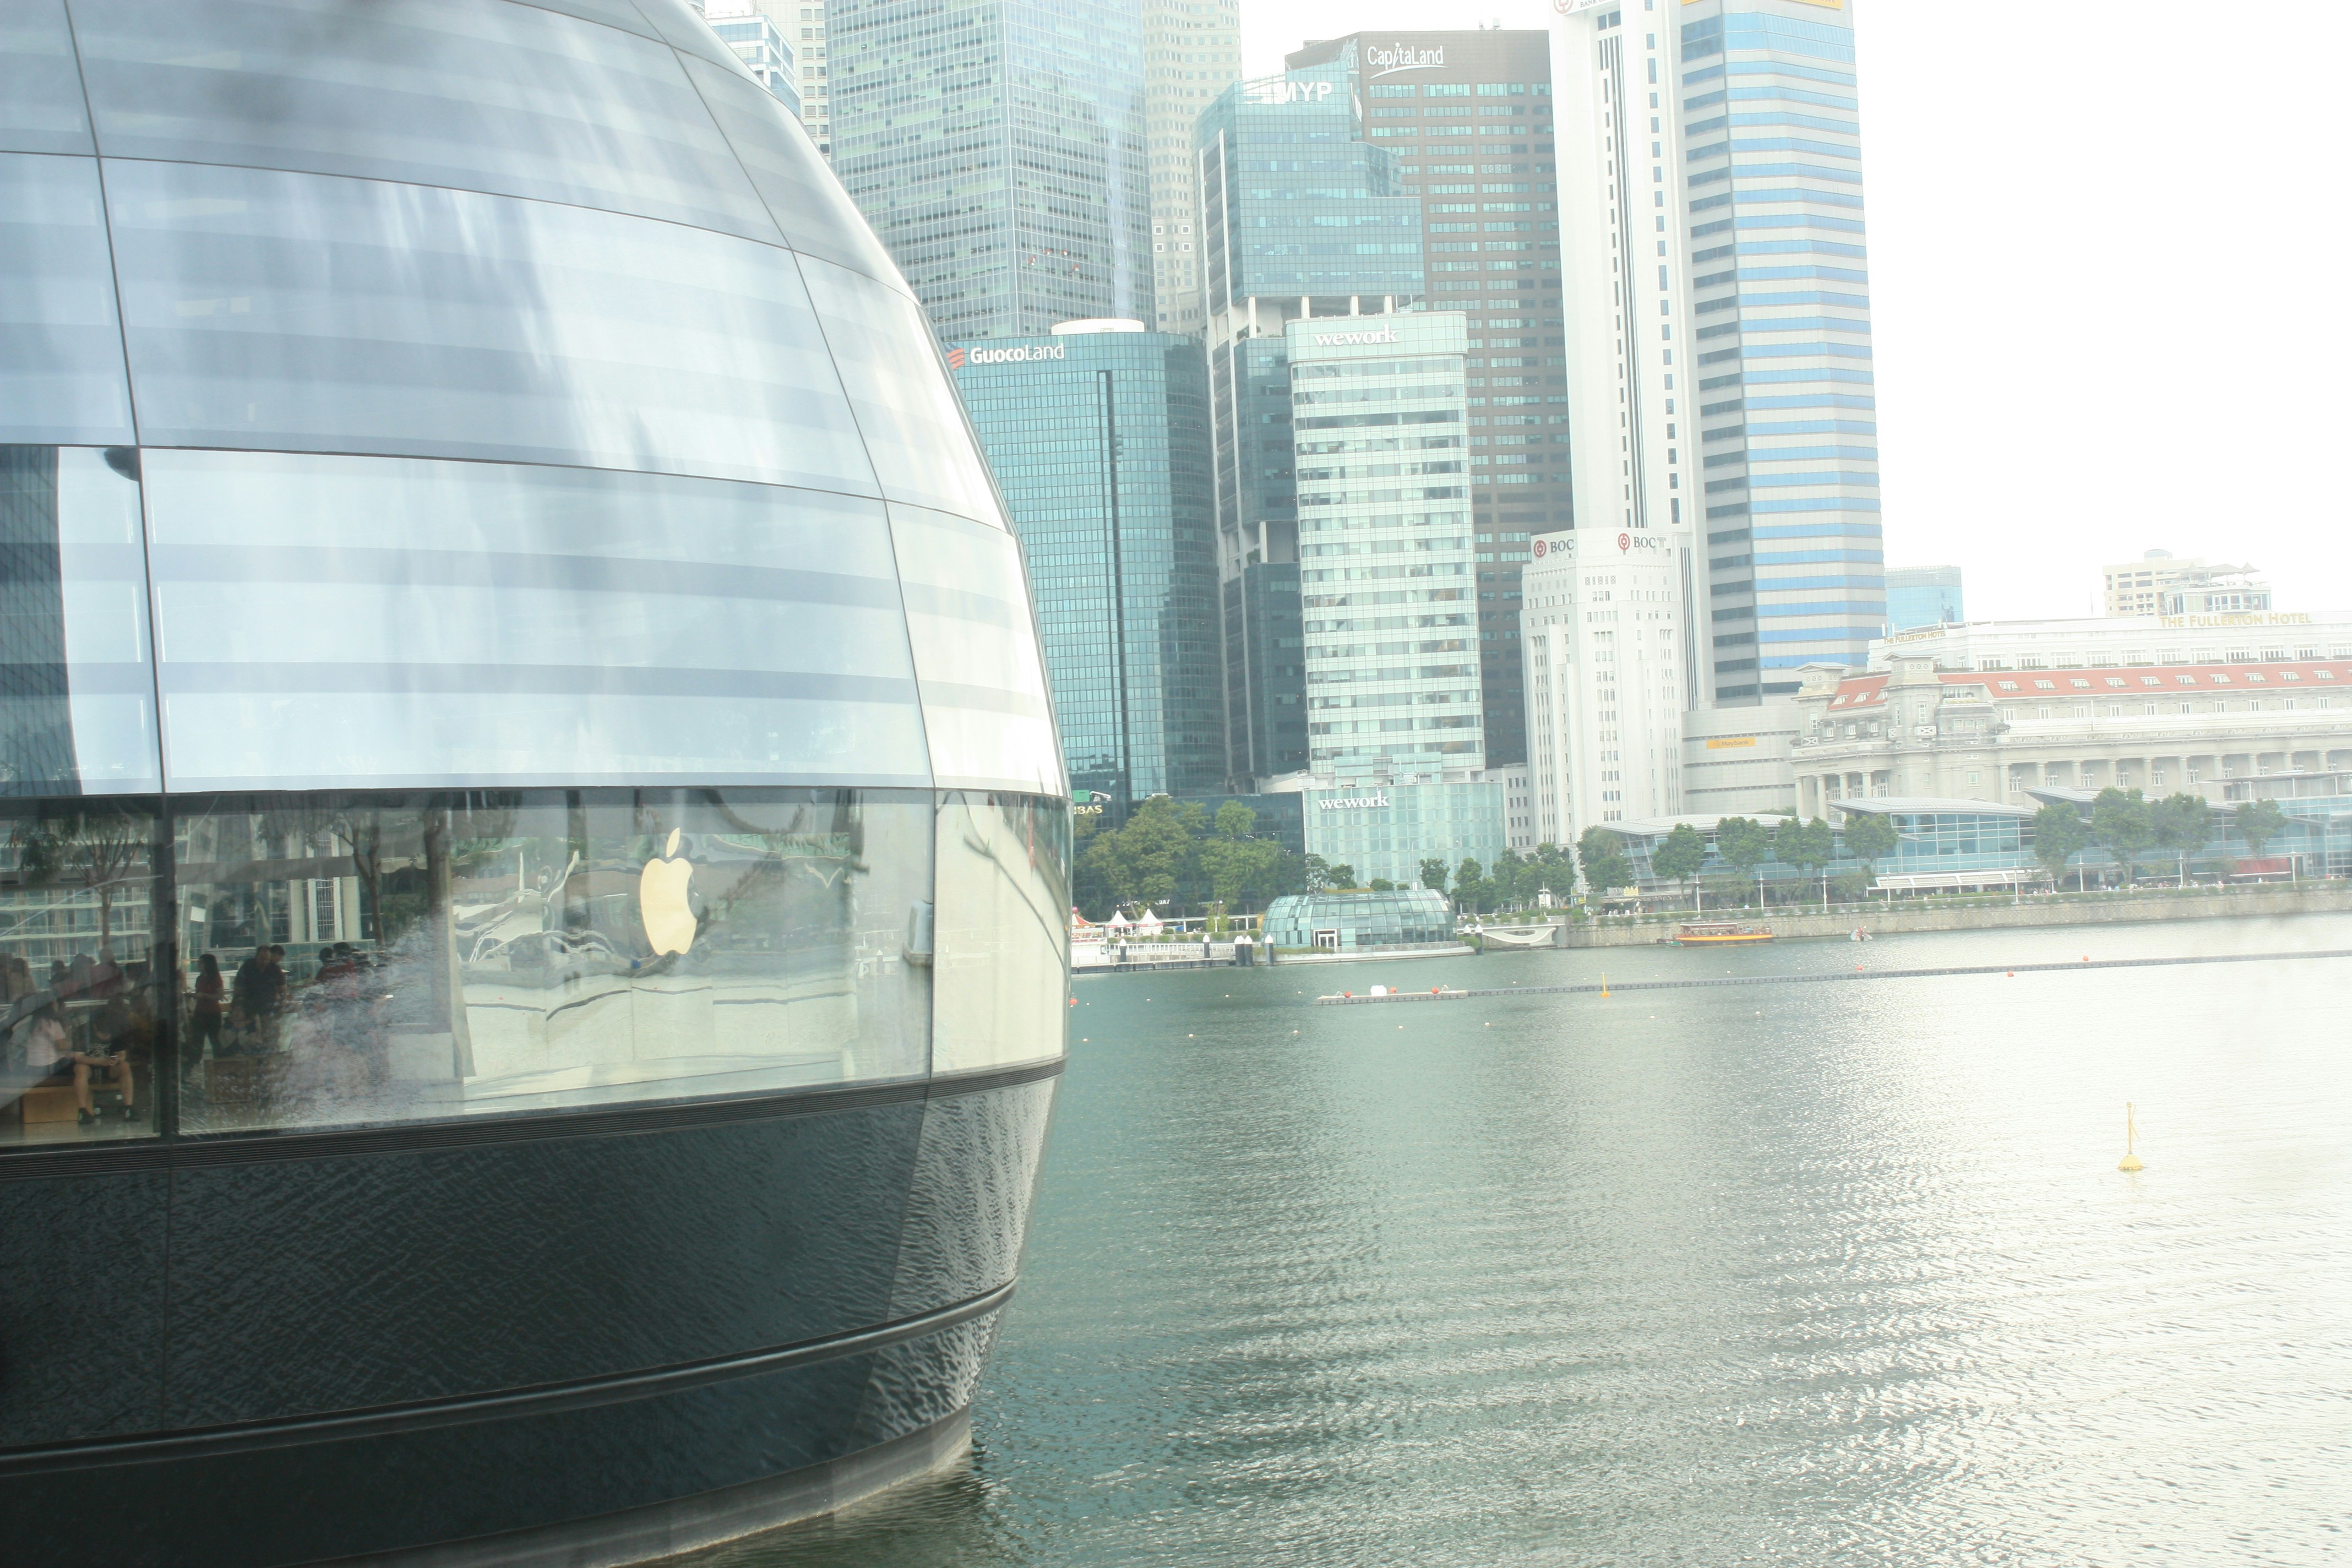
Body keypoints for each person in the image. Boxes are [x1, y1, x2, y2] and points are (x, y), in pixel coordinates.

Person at [24, 1001, 137, 1126]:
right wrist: (99, 1061)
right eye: (103, 1033)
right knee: (80, 1068)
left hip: (108, 1066)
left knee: (125, 1066)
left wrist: (117, 1060)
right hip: (87, 1064)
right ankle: (83, 1110)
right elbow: (78, 1058)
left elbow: (122, 1054)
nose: (106, 1037)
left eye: (109, 1034)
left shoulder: (116, 1030)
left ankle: (129, 1108)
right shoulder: (83, 1030)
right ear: (95, 1026)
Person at [189, 953, 226, 1059]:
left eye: (201, 962)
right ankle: (196, 1063)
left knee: (215, 1041)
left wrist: (205, 996)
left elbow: (220, 995)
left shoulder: (215, 978)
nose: (199, 964)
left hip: (213, 1013)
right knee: (197, 1041)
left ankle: (218, 1063)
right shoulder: (200, 978)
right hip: (200, 1012)